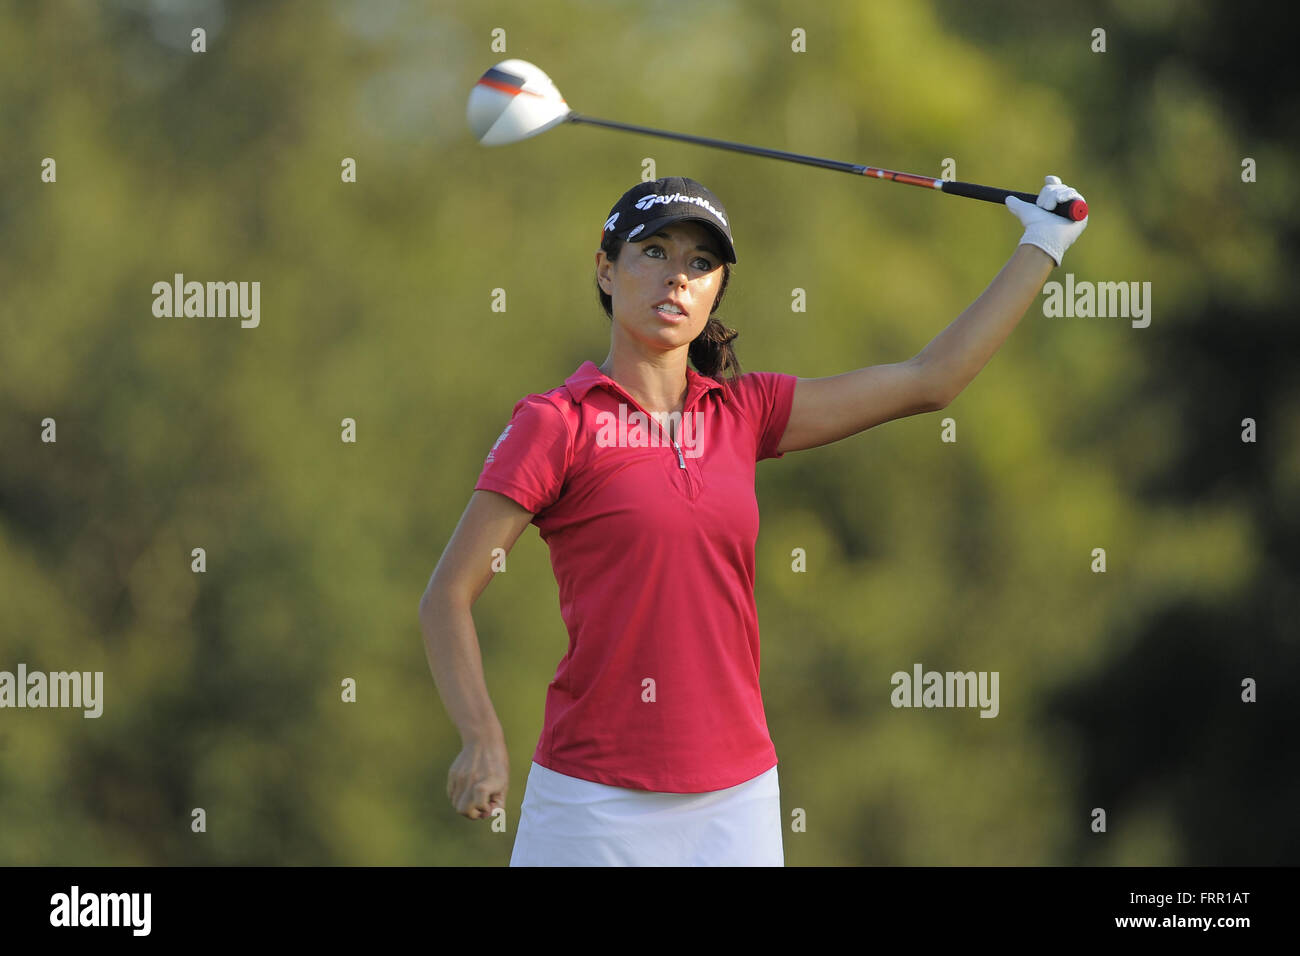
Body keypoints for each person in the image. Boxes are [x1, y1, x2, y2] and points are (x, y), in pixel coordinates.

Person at [418, 174, 1087, 866]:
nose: (677, 277)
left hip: (735, 805)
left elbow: (930, 380)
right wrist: (481, 735)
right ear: (605, 270)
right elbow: (447, 596)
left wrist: (1043, 243)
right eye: (654, 252)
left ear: (715, 295)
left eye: (700, 264)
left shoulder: (746, 413)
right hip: (591, 803)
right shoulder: (558, 424)